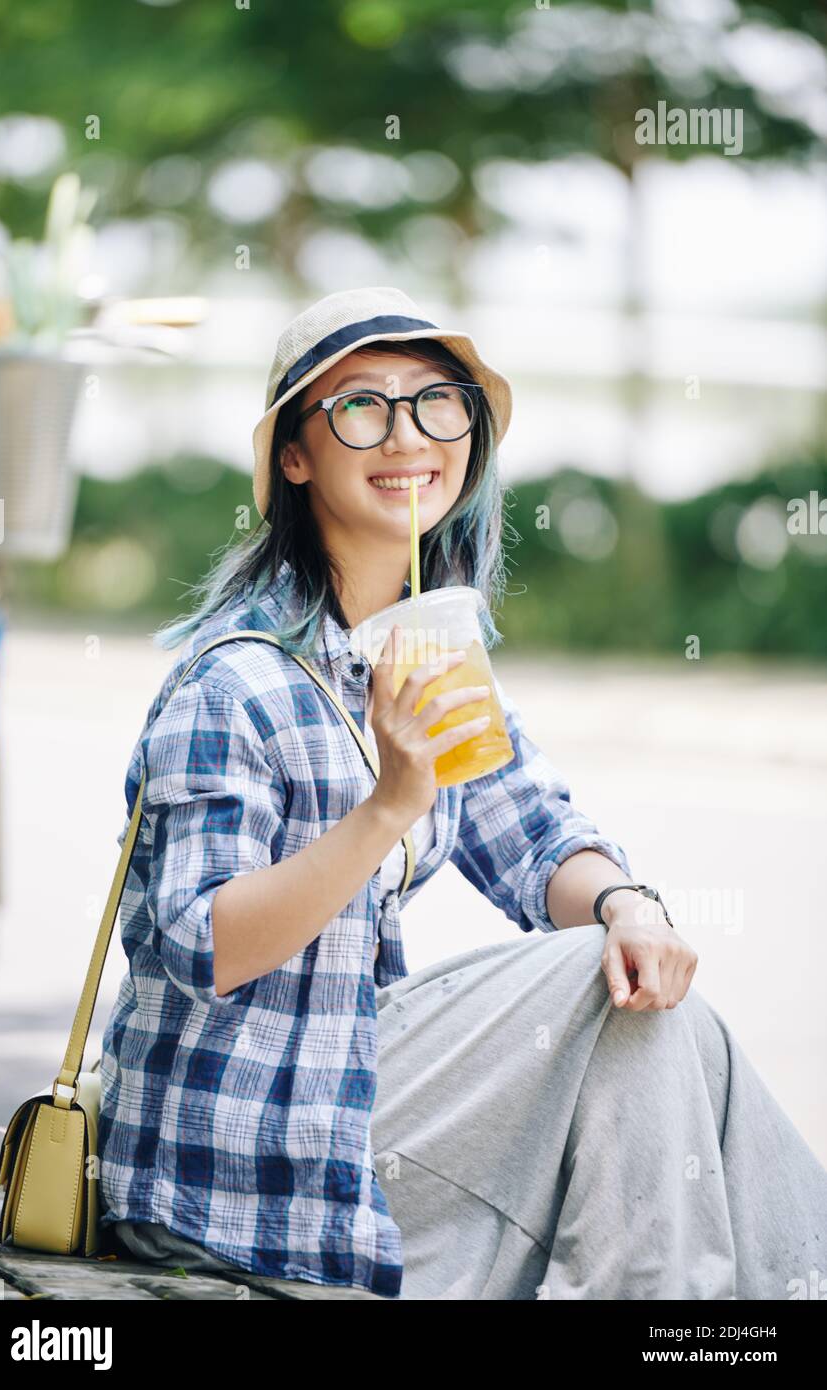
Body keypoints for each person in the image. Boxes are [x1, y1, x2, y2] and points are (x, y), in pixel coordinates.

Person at [97, 285, 827, 1301]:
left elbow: (535, 834)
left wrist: (625, 905)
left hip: (358, 1098)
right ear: (294, 455)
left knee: (645, 1000)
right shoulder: (237, 683)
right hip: (229, 1163)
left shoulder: (425, 650)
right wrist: (385, 809)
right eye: (361, 406)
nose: (407, 435)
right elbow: (202, 946)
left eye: (437, 403)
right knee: (605, 995)